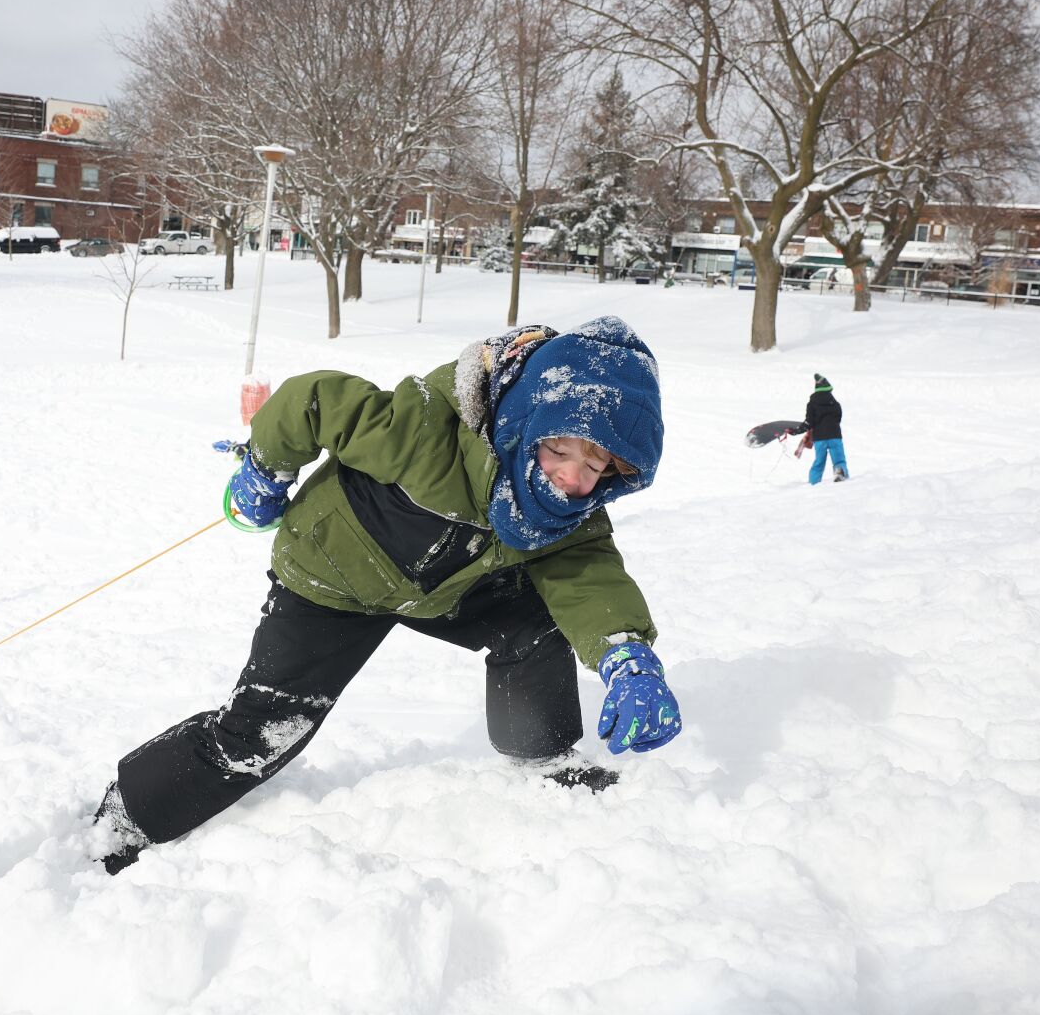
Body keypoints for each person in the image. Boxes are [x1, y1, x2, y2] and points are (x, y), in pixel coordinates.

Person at [90, 316, 680, 875]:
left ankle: (543, 761)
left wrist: (625, 655)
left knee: (534, 628)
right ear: (524, 419)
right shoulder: (423, 429)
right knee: (265, 730)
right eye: (560, 450)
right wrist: (266, 470)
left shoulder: (572, 509)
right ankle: (129, 818)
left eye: (598, 463)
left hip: (442, 588)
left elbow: (587, 574)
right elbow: (310, 401)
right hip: (332, 582)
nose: (574, 479)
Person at [791, 374, 848, 484]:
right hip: (835, 436)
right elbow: (838, 418)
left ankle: (813, 482)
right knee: (839, 459)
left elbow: (809, 422)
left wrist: (795, 431)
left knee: (819, 461)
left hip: (820, 438)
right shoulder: (835, 404)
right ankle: (839, 472)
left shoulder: (812, 404)